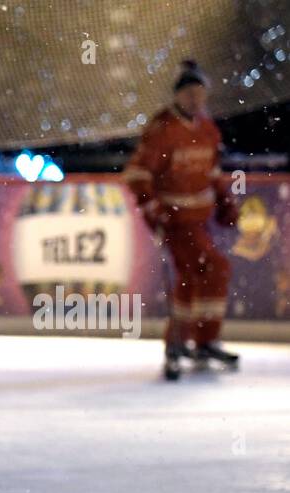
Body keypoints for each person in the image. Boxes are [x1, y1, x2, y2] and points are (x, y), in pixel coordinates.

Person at [123, 60, 241, 381]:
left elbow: (212, 172)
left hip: (199, 220)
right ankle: (200, 340)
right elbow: (137, 174)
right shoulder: (163, 129)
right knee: (213, 267)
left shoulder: (206, 129)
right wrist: (153, 209)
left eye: (199, 92)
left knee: (194, 275)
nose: (195, 99)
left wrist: (225, 202)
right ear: (177, 95)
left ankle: (187, 340)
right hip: (176, 221)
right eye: (189, 92)